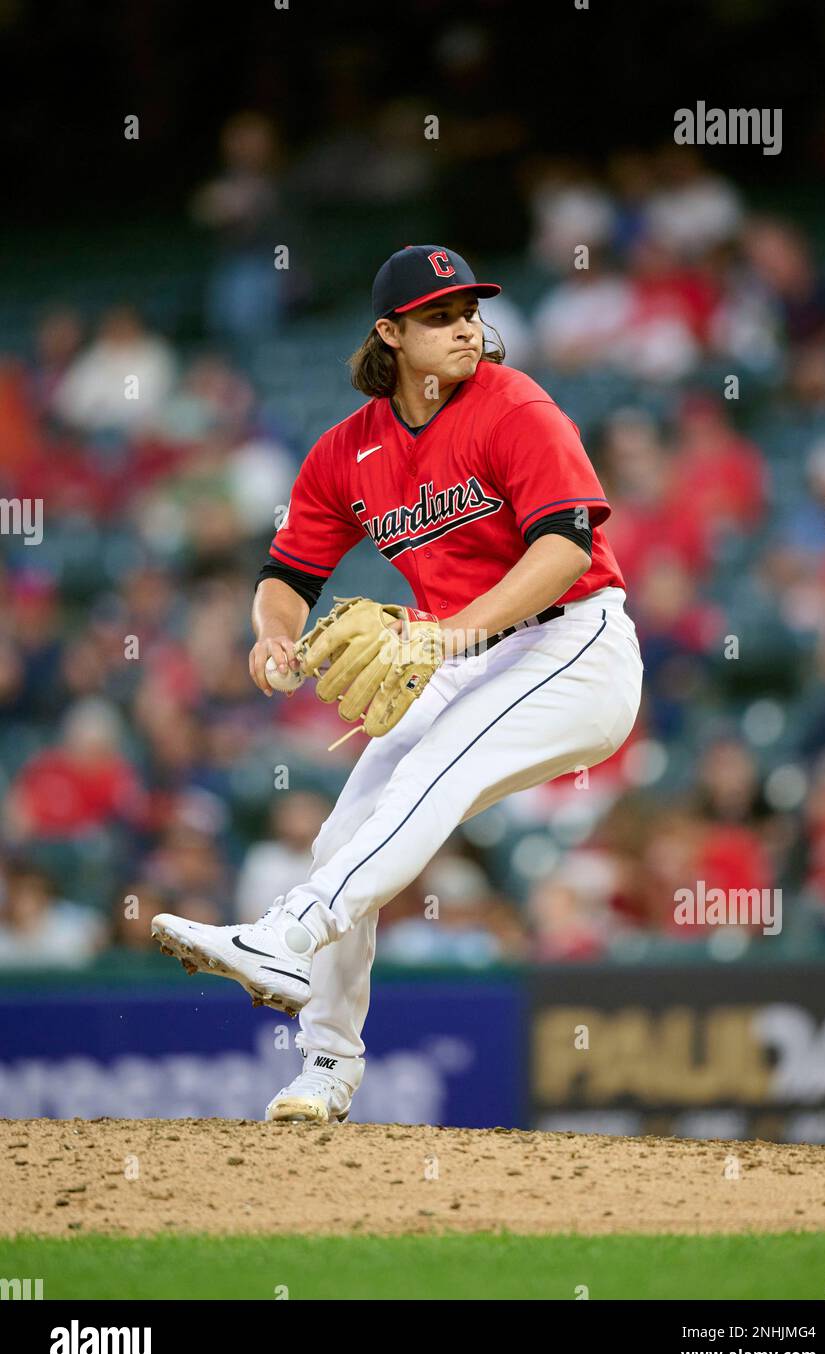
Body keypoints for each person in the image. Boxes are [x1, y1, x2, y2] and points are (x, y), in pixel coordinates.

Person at [153, 245, 643, 1123]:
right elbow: (289, 574)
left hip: (576, 644)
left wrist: (453, 629)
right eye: (440, 316)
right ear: (391, 333)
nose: (465, 328)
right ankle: (326, 1067)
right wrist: (271, 637)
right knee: (343, 829)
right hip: (467, 660)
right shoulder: (349, 452)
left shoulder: (514, 403)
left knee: (432, 774)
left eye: (469, 311)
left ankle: (287, 935)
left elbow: (566, 546)